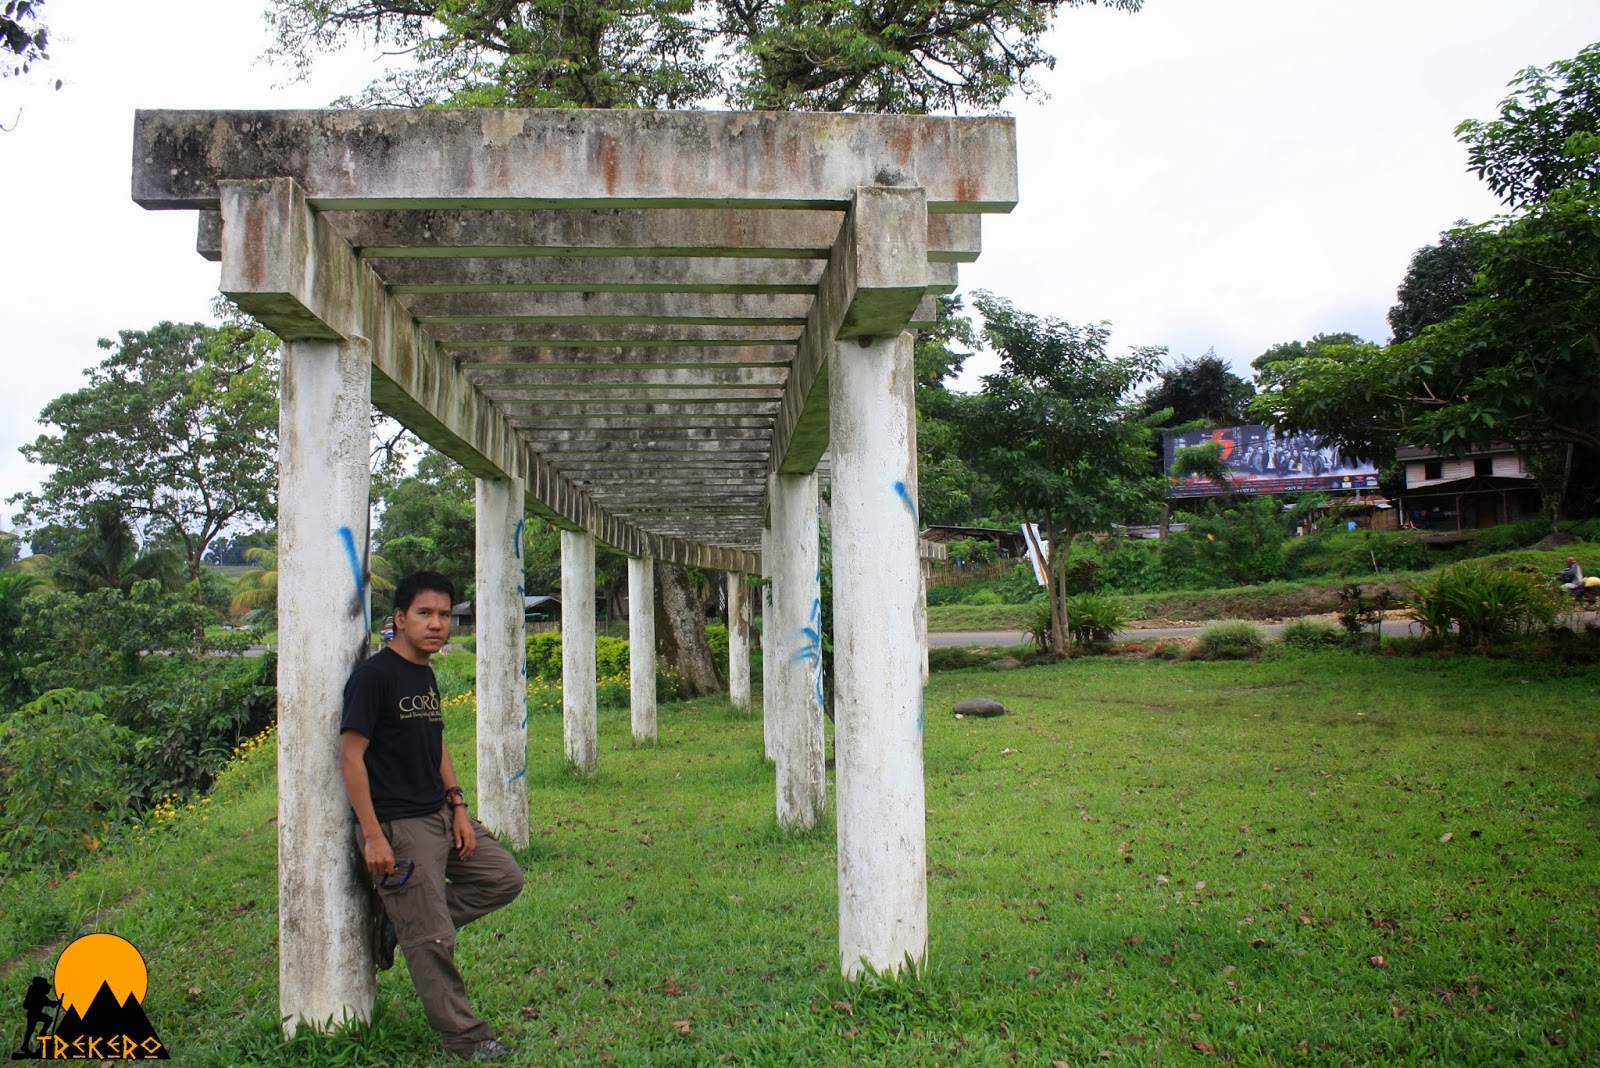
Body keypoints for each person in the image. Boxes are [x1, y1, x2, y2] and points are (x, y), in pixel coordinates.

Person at [341, 571, 524, 1061]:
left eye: (444, 615)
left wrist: (458, 806)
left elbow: (435, 741)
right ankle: (464, 1036)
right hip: (399, 827)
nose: (438, 624)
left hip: (439, 813)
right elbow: (350, 756)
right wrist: (374, 837)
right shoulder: (374, 678)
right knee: (435, 939)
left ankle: (402, 925)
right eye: (425, 613)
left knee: (503, 878)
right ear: (399, 618)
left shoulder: (423, 671)